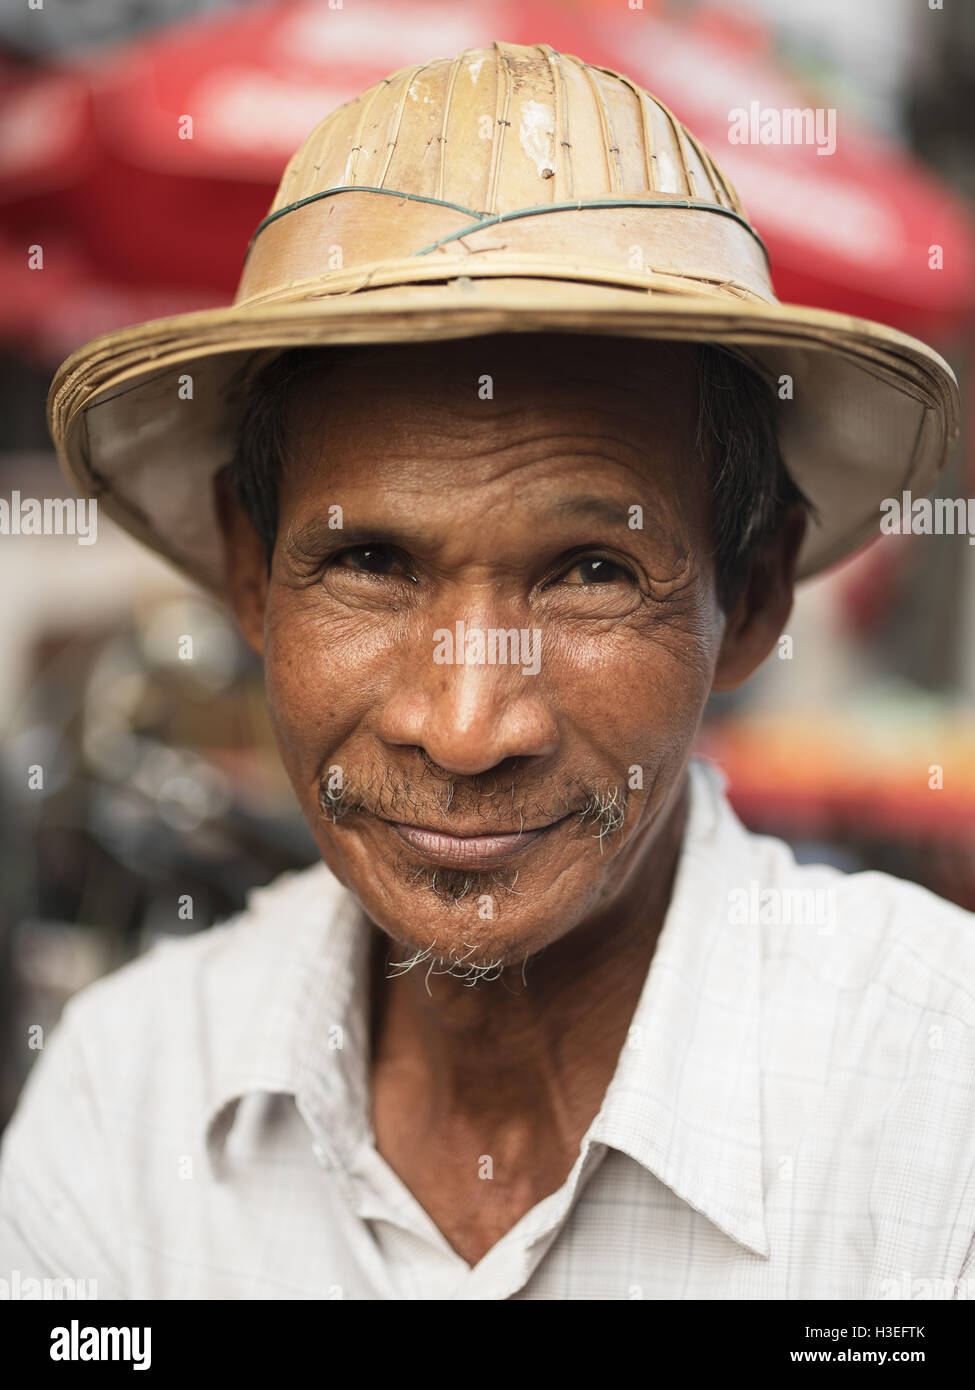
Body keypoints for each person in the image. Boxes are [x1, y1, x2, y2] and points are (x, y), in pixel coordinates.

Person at [2, 42, 972, 1301]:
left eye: (591, 572)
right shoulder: (127, 1101)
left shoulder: (936, 1101)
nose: (465, 727)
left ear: (759, 597)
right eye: (370, 561)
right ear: (251, 576)